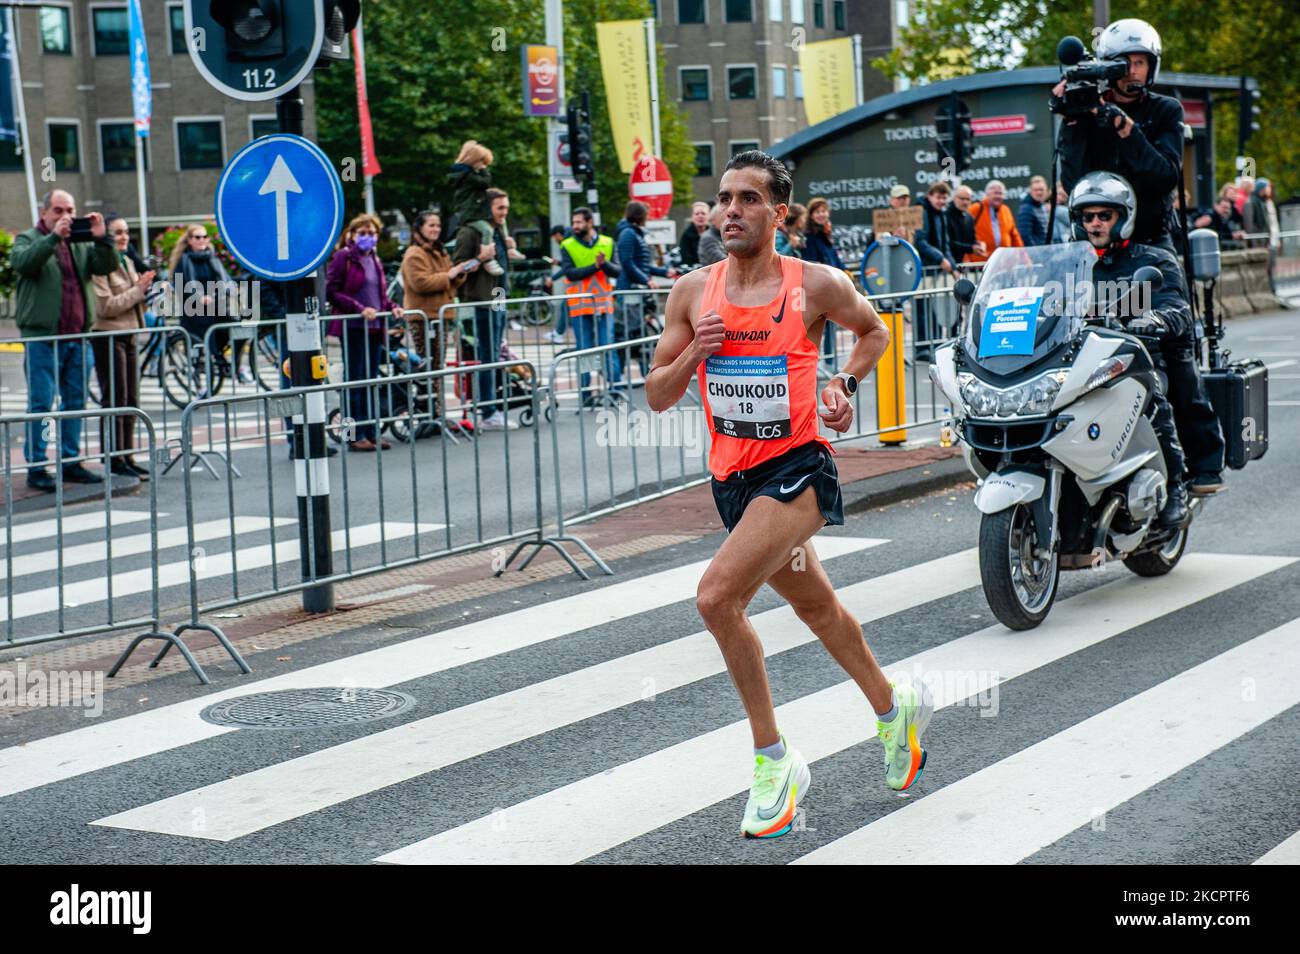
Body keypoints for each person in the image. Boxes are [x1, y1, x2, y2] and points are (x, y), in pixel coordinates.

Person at [646, 150, 931, 839]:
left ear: (778, 214)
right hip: (733, 482)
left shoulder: (816, 285)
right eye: (723, 198)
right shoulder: (692, 292)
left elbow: (874, 331)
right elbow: (657, 394)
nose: (730, 211)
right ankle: (895, 712)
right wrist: (694, 355)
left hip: (798, 470)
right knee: (819, 610)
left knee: (717, 597)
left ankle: (774, 761)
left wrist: (844, 386)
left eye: (748, 199)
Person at [1070, 171, 1190, 527]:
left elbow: (1178, 308)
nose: (1095, 224)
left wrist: (1155, 318)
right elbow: (1043, 306)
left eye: (1103, 216)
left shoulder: (1152, 261)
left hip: (1134, 362)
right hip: (1079, 365)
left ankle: (1176, 485)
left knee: (1152, 399)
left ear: (1122, 218)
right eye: (1087, 217)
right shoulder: (1069, 264)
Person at [11, 190, 118, 490]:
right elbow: (24, 263)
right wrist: (52, 238)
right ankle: (37, 466)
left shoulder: (79, 243)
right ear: (44, 213)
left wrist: (102, 238)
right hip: (43, 338)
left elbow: (105, 266)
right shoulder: (29, 239)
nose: (65, 216)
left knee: (75, 402)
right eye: (58, 210)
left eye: (70, 209)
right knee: (42, 404)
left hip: (77, 337)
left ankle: (71, 462)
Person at [325, 213, 404, 451]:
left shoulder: (375, 260)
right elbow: (332, 291)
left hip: (374, 328)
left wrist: (392, 307)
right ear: (352, 235)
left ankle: (370, 431)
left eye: (371, 233)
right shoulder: (343, 257)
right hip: (353, 327)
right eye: (362, 233)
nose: (367, 238)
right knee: (354, 383)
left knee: (370, 381)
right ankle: (352, 435)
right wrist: (359, 309)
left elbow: (379, 295)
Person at [90, 214, 156, 480]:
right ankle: (114, 458)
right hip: (108, 335)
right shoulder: (100, 264)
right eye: (117, 232)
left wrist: (148, 292)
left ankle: (126, 455)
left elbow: (132, 300)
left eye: (126, 232)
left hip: (129, 333)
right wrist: (139, 289)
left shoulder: (127, 260)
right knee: (115, 398)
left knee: (130, 399)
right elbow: (105, 307)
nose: (124, 237)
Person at [451, 188, 517, 429]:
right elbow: (457, 268)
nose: (504, 213)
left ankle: (492, 407)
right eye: (500, 208)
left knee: (495, 354)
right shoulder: (471, 232)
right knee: (487, 355)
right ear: (486, 208)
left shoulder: (499, 230)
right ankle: (488, 411)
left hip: (499, 296)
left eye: (506, 208)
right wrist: (479, 259)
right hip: (481, 300)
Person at [401, 210, 472, 429]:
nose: (435, 229)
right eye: (431, 225)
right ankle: (429, 413)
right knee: (428, 366)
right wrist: (449, 276)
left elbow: (449, 281)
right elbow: (420, 283)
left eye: (438, 225)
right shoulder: (414, 253)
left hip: (440, 314)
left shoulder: (438, 251)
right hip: (423, 317)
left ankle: (436, 412)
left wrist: (460, 272)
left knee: (436, 367)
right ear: (420, 229)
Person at [169, 224, 247, 387]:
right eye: (197, 237)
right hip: (194, 311)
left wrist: (234, 288)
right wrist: (198, 297)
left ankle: (235, 366)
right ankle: (204, 375)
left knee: (240, 328)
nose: (202, 240)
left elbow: (225, 280)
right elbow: (179, 285)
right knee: (204, 336)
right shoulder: (183, 261)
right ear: (190, 240)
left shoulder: (213, 258)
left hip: (216, 306)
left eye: (205, 237)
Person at [559, 207, 622, 404]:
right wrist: (594, 267)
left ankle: (615, 391)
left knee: (608, 347)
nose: (575, 226)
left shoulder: (607, 242)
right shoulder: (567, 245)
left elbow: (617, 271)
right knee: (584, 350)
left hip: (603, 305)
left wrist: (604, 265)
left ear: (589, 222)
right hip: (580, 306)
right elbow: (569, 273)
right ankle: (586, 394)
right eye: (574, 222)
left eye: (578, 222)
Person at [615, 200, 674, 345]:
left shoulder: (634, 233)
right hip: (630, 289)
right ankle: (621, 367)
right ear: (639, 216)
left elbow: (642, 265)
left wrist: (664, 272)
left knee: (638, 332)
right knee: (630, 334)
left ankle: (643, 365)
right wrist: (646, 280)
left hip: (635, 288)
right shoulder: (628, 234)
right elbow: (627, 263)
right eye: (646, 215)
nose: (648, 218)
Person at [802, 197, 846, 376]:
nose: (821, 214)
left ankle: (829, 361)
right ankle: (820, 363)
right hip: (818, 287)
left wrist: (843, 272)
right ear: (811, 215)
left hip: (831, 286)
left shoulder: (826, 233)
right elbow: (812, 262)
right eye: (817, 211)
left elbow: (833, 257)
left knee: (830, 325)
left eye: (824, 211)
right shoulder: (809, 237)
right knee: (818, 326)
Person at [446, 140, 504, 277]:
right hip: (478, 294)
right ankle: (489, 259)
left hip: (495, 291)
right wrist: (481, 259)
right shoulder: (469, 176)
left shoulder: (463, 174)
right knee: (486, 230)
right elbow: (485, 183)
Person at [913, 181, 957, 360]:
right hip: (925, 267)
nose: (942, 201)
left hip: (936, 268)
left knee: (936, 307)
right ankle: (923, 347)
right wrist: (940, 259)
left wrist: (951, 265)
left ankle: (935, 343)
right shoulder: (922, 212)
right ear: (930, 195)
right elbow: (920, 241)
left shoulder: (942, 214)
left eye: (944, 198)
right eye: (939, 197)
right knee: (922, 307)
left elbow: (944, 242)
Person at [965, 180, 1023, 262]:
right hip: (980, 263)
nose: (998, 196)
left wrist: (1024, 257)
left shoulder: (1006, 210)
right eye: (995, 193)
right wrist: (966, 259)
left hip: (1003, 263)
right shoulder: (976, 209)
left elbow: (1014, 235)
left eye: (1001, 193)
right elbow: (963, 235)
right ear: (987, 194)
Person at [947, 184, 985, 261]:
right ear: (954, 198)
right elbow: (947, 243)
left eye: (968, 199)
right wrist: (971, 248)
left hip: (958, 262)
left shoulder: (969, 218)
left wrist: (979, 244)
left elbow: (970, 240)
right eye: (962, 198)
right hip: (945, 263)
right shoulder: (945, 215)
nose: (965, 202)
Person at [1016, 176, 1051, 246]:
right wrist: (1035, 252)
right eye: (1036, 190)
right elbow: (1024, 235)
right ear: (1030, 191)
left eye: (1041, 189)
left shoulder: (1042, 206)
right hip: (1036, 253)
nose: (1039, 193)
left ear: (1046, 191)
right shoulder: (1026, 209)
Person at [679, 201, 711, 267]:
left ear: (709, 216)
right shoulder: (686, 235)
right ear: (692, 217)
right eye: (697, 214)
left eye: (703, 213)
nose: (700, 216)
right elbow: (686, 259)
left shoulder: (715, 233)